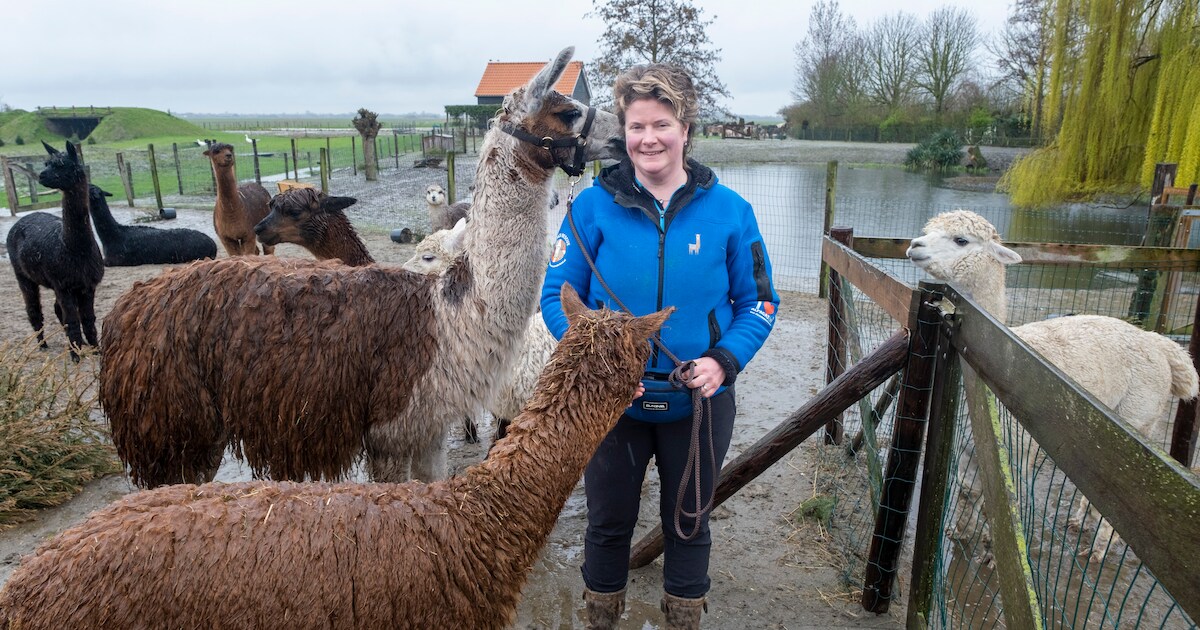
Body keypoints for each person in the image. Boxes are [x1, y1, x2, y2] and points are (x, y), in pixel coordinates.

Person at [540, 62, 779, 630]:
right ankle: (600, 615)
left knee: (690, 520)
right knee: (607, 522)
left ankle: (684, 617)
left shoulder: (731, 213)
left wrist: (724, 361)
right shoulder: (589, 208)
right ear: (623, 132)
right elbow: (556, 295)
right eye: (637, 126)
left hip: (697, 403)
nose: (649, 138)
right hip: (609, 403)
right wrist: (596, 355)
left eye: (662, 124)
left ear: (686, 129)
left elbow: (760, 303)